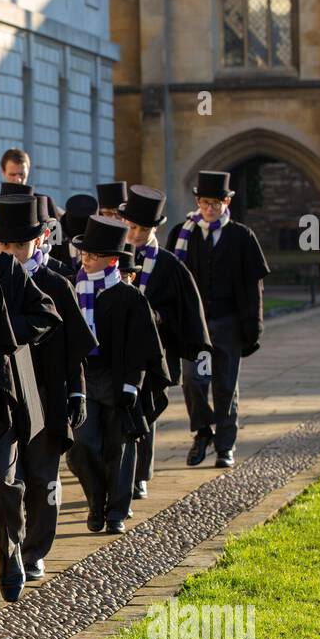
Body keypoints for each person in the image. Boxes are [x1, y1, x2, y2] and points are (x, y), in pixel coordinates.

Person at [0, 194, 60, 615]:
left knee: (1, 481)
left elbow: (47, 314)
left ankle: (14, 544)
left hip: (3, 402)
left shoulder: (6, 270)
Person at [9, 198, 98, 580]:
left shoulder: (57, 285)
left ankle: (34, 551)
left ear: (40, 240)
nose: (12, 253)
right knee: (7, 479)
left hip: (48, 395)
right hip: (5, 396)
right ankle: (9, 546)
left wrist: (77, 392)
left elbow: (76, 346)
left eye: (20, 245)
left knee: (44, 477)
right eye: (5, 245)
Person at [66, 215, 168, 534]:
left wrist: (131, 385)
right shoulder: (73, 288)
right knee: (84, 443)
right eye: (84, 253)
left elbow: (143, 347)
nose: (86, 259)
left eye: (94, 255)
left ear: (112, 260)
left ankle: (116, 512)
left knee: (119, 445)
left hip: (118, 379)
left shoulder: (129, 297)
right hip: (84, 378)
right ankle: (96, 501)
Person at [165, 170, 270, 469]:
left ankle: (226, 446)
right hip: (195, 327)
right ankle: (202, 431)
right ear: (198, 201)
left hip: (228, 323)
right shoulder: (183, 235)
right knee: (194, 381)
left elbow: (253, 287)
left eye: (215, 203)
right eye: (204, 203)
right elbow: (172, 281)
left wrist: (253, 327)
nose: (209, 209)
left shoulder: (241, 236)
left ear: (226, 203)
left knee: (225, 385)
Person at [121, 185, 210, 499]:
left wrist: (156, 317)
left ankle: (141, 474)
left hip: (155, 350)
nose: (135, 235)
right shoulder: (112, 257)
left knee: (146, 409)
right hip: (118, 350)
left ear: (154, 229)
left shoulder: (170, 265)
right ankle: (119, 475)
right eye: (131, 227)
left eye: (142, 229)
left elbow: (185, 312)